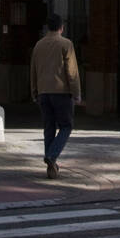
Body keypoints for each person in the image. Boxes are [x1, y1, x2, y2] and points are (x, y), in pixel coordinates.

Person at [29, 13, 82, 177]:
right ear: (61, 27)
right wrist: (76, 93)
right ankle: (51, 156)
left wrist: (34, 91)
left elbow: (33, 71)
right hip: (61, 92)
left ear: (47, 27)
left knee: (49, 128)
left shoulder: (38, 45)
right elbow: (72, 72)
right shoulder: (66, 44)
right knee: (66, 126)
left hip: (43, 92)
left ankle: (51, 167)